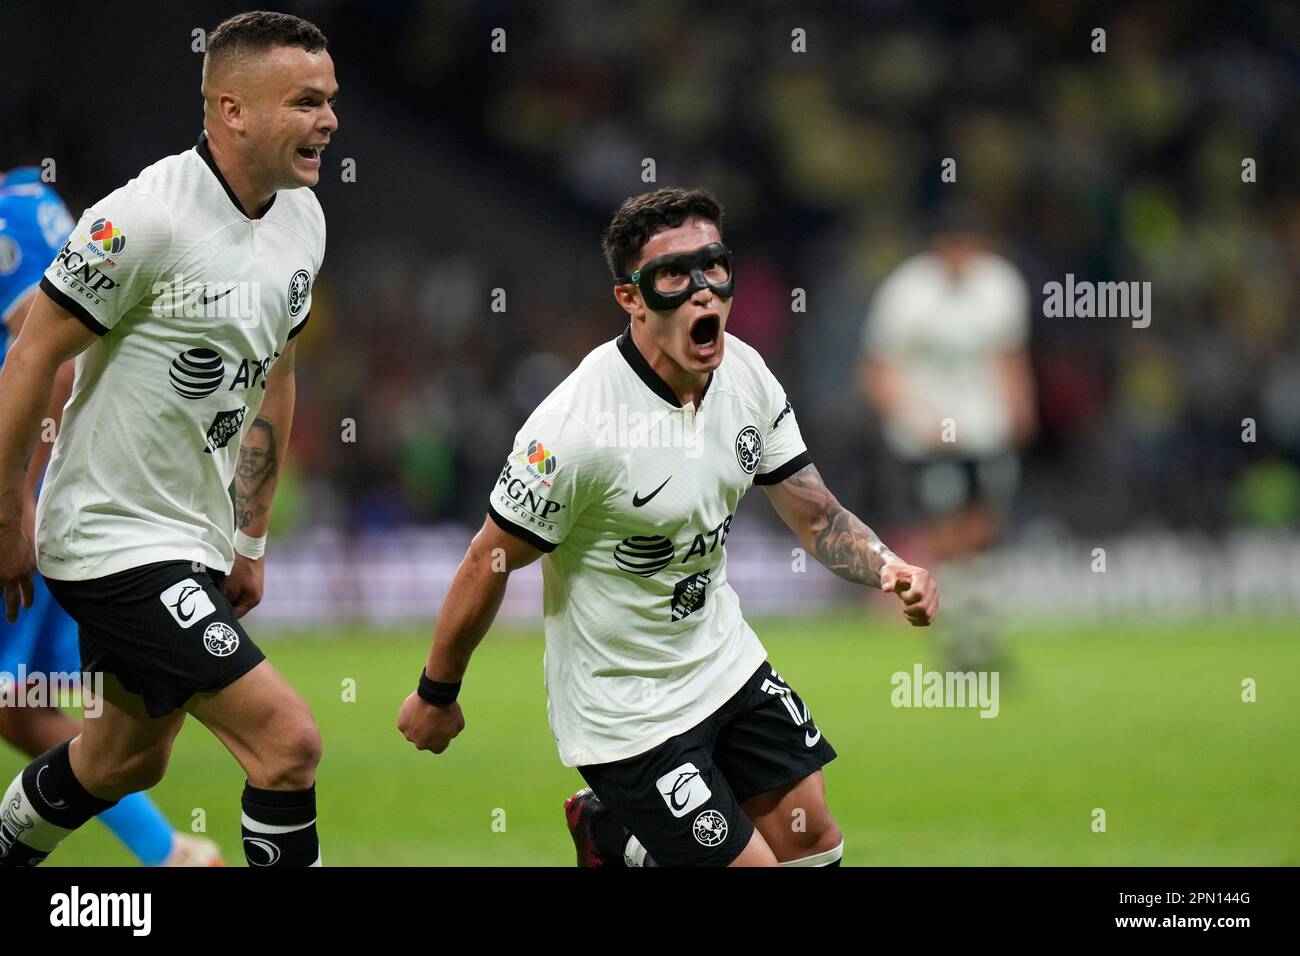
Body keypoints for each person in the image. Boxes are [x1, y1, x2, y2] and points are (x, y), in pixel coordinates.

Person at [399, 187, 938, 867]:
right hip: (627, 709)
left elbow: (816, 514)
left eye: (715, 267)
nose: (704, 291)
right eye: (675, 277)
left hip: (724, 663)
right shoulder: (577, 429)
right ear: (631, 298)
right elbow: (489, 561)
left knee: (813, 841)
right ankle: (619, 837)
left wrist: (888, 567)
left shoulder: (745, 374)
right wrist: (435, 694)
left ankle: (620, 836)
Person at [0, 10, 336, 867]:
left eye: (329, 101)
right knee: (287, 743)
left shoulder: (303, 222)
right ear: (232, 109)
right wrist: (8, 513)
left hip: (191, 537)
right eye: (305, 102)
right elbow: (33, 352)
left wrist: (249, 535)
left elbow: (278, 376)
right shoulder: (142, 219)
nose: (328, 121)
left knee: (122, 759)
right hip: (110, 537)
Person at [0, 165, 223, 867]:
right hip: (41, 496)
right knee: (24, 706)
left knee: (34, 707)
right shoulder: (30, 205)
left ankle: (170, 853)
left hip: (28, 502)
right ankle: (172, 854)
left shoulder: (16, 211)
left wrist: (20, 505)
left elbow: (56, 361)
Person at [861, 226, 1035, 670]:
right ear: (938, 247)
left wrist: (1020, 406)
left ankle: (979, 634)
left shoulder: (999, 284)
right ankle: (960, 639)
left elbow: (1008, 355)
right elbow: (878, 369)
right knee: (947, 534)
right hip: (930, 438)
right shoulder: (906, 292)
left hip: (984, 432)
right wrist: (912, 419)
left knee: (983, 530)